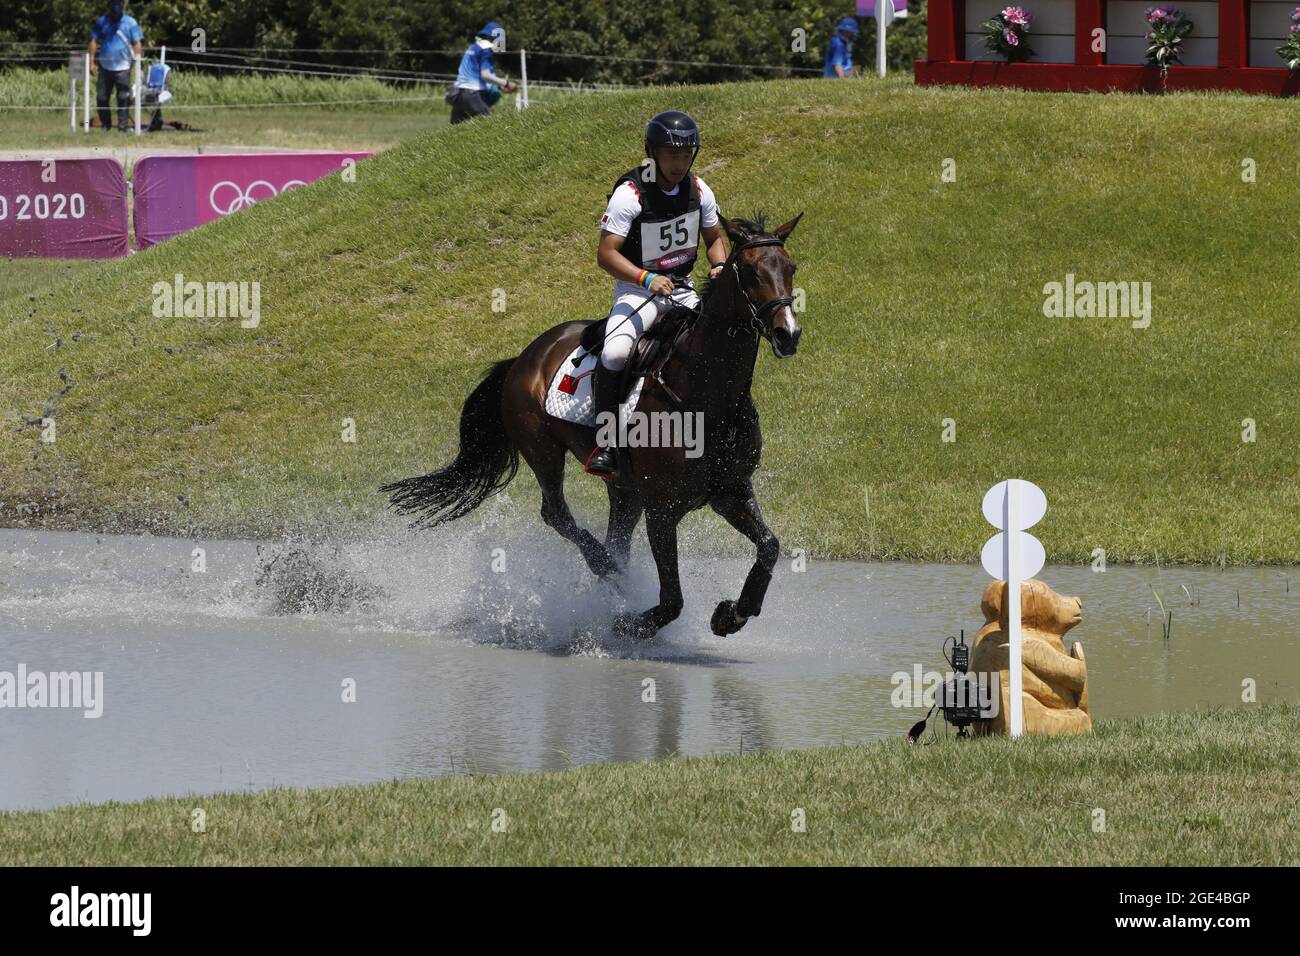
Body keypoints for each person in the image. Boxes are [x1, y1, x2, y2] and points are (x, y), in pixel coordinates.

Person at [587, 110, 729, 480]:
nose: (680, 164)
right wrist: (646, 278)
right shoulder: (630, 194)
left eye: (686, 156)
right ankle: (607, 442)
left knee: (718, 343)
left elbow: (714, 239)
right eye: (671, 155)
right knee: (616, 350)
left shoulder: (699, 190)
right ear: (652, 153)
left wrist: (718, 266)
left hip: (683, 290)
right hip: (638, 291)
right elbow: (606, 254)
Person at [448, 21, 518, 124]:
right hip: (473, 95)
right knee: (488, 127)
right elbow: (485, 75)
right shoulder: (486, 49)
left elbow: (474, 74)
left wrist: (499, 86)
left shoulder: (473, 47)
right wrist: (506, 83)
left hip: (459, 95)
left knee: (454, 133)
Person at [89, 0, 143, 132]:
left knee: (123, 98)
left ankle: (122, 127)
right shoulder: (101, 22)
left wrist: (136, 63)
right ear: (108, 6)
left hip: (124, 67)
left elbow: (137, 43)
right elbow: (93, 41)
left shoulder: (131, 22)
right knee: (101, 98)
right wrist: (91, 61)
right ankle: (106, 125)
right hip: (105, 67)